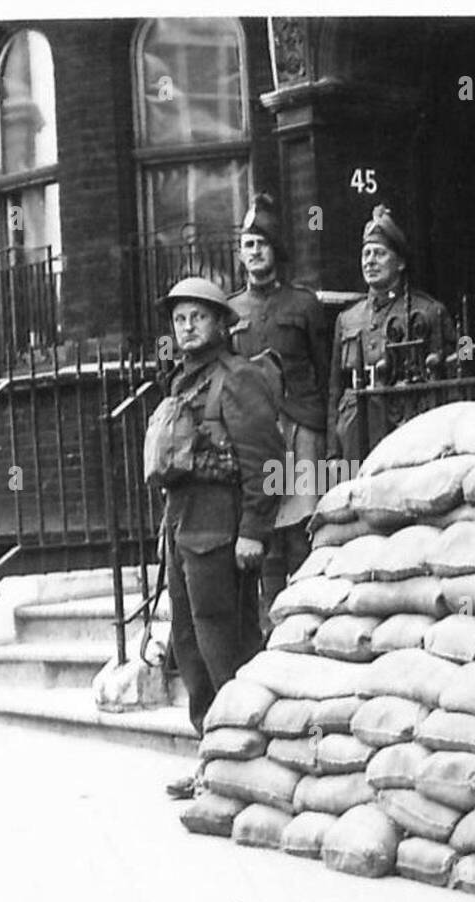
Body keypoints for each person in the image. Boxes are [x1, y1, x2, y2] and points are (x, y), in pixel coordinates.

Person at [146, 277, 283, 800]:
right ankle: (212, 756)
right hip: (184, 528)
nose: (186, 327)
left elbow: (270, 464)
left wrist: (254, 531)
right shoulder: (182, 382)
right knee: (189, 648)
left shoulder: (239, 378)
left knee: (225, 646)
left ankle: (244, 758)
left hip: (223, 531)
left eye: (198, 317)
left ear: (222, 323)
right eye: (179, 319)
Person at [228, 193, 329, 634]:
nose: (255, 252)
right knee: (265, 527)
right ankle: (271, 628)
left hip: (304, 430)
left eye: (262, 244)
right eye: (248, 244)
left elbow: (328, 374)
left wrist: (328, 431)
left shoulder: (304, 305)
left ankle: (308, 620)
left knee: (305, 527)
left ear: (276, 252)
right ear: (240, 253)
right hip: (259, 436)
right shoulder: (231, 311)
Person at [326, 204, 457, 464]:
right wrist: (333, 452)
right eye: (366, 254)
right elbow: (334, 389)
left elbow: (458, 364)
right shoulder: (347, 318)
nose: (370, 261)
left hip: (403, 426)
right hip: (354, 430)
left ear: (400, 263)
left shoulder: (429, 311)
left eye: (379, 253)